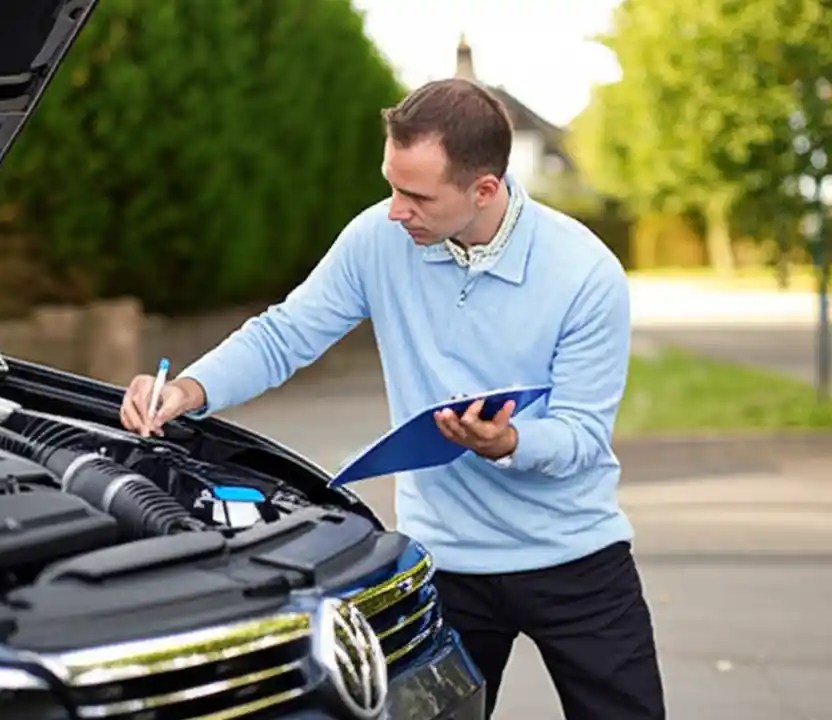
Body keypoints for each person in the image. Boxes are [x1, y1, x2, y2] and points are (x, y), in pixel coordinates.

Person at [118, 78, 665, 718]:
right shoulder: (378, 240)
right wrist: (188, 388)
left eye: (416, 195)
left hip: (575, 562)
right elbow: (285, 334)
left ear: (483, 190)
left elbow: (579, 437)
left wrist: (508, 442)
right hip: (443, 565)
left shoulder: (585, 273)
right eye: (391, 184)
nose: (395, 209)